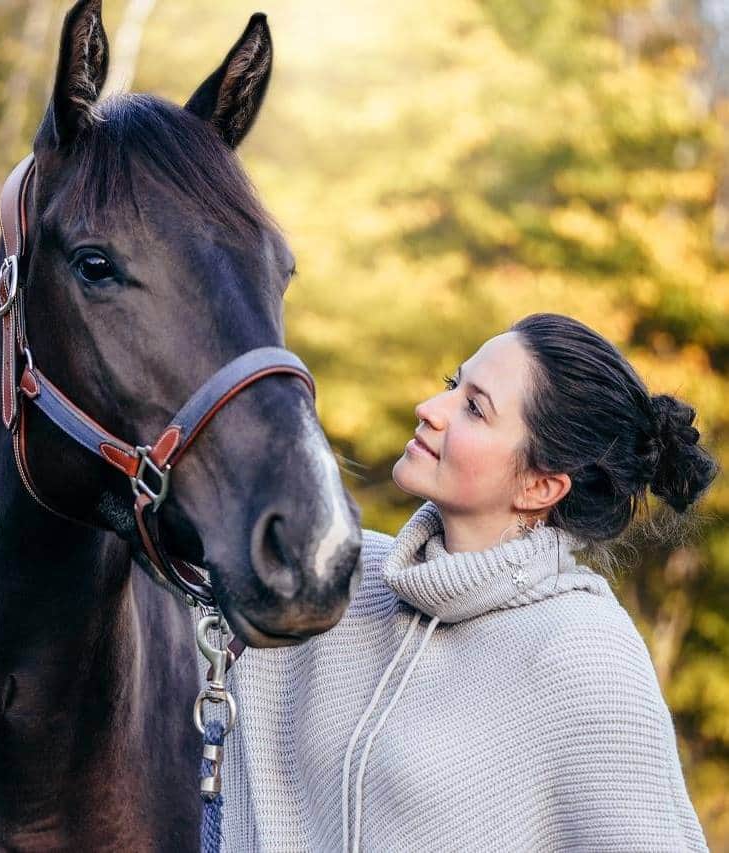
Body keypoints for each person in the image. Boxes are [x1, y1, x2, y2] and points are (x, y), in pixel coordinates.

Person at [216, 312, 718, 852]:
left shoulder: (586, 656)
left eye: (475, 409)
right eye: (453, 386)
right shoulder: (337, 575)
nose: (429, 410)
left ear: (540, 485)